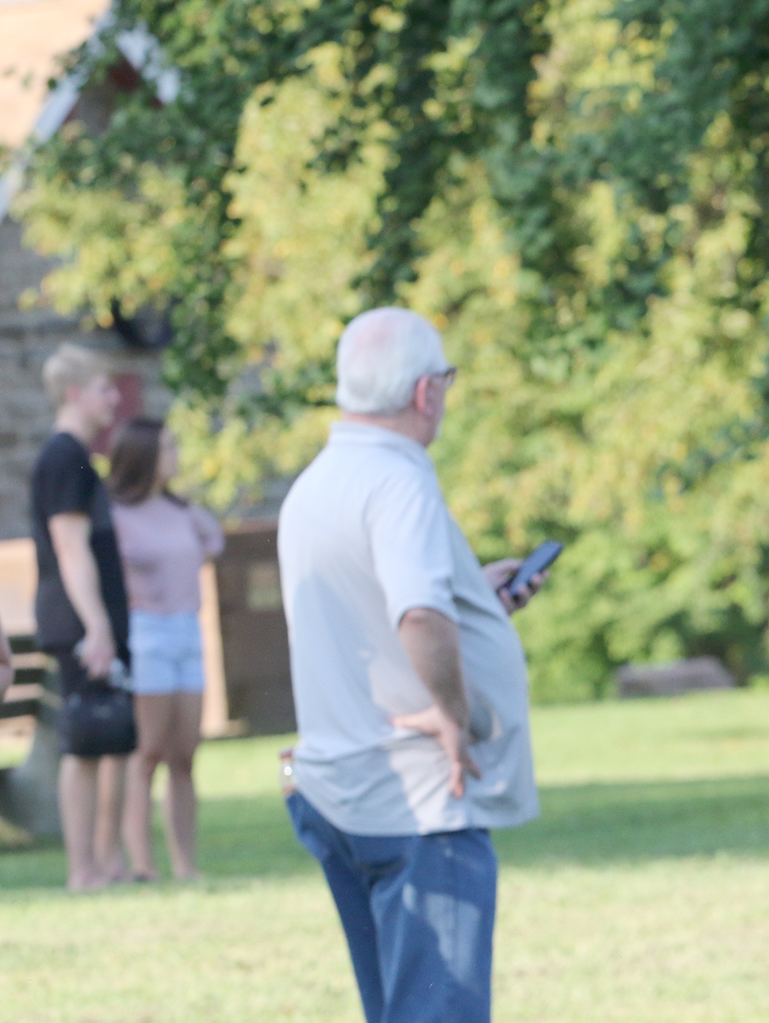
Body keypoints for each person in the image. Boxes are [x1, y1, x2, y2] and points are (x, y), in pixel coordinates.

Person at [279, 308, 545, 1023]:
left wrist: (474, 598)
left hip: (343, 785)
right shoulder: (399, 482)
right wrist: (454, 716)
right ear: (426, 391)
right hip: (417, 794)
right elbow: (418, 616)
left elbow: (380, 607)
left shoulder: (316, 483)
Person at [31, 343, 134, 891]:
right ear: (75, 394)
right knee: (86, 742)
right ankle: (83, 870)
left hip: (98, 618)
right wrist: (95, 627)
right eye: (104, 388)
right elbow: (69, 549)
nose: (114, 398)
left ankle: (107, 860)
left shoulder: (79, 459)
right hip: (79, 620)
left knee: (113, 737)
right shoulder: (63, 457)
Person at [108, 418, 225, 881]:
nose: (174, 455)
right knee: (148, 751)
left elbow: (212, 538)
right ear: (143, 457)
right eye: (167, 448)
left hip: (187, 632)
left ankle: (185, 864)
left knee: (185, 754)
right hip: (148, 634)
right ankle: (141, 862)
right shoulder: (118, 514)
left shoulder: (181, 510)